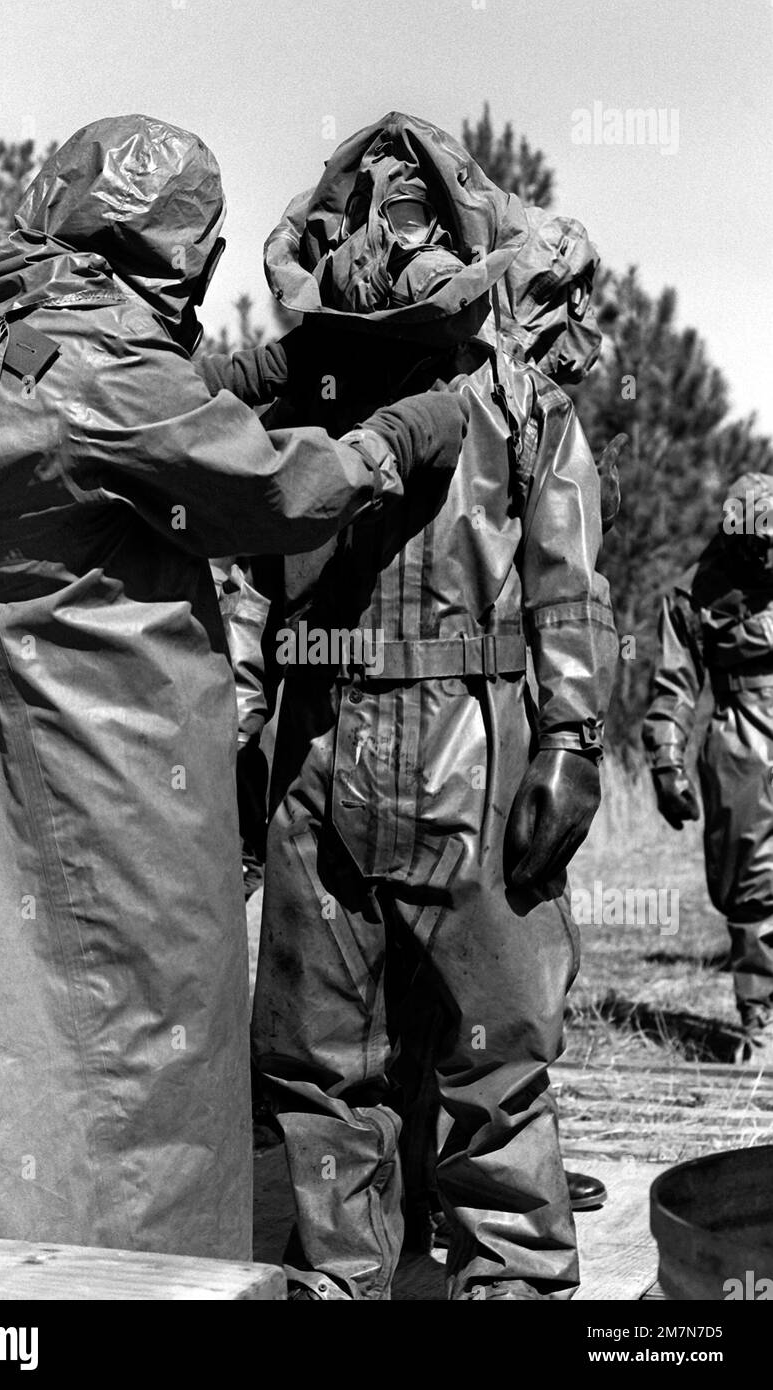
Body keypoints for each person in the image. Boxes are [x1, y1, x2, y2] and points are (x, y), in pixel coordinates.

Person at [0, 113, 468, 1254]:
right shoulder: (102, 370)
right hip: (109, 740)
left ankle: (0, 1258)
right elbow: (264, 491)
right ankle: (135, 1271)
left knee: (20, 1002)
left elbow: (130, 404)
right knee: (141, 1030)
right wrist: (395, 436)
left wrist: (271, 367)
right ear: (169, 248)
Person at [250, 112, 619, 1299]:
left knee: (495, 1045)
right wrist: (248, 735)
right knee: (319, 1053)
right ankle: (339, 1272)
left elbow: (568, 581)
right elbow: (249, 582)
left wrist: (571, 735)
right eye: (367, 213)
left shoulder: (517, 400)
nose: (385, 229)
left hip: (477, 736)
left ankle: (509, 1269)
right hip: (322, 742)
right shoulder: (301, 397)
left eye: (410, 213)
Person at [643, 473, 773, 1062]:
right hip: (740, 738)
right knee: (751, 887)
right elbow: (673, 687)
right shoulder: (694, 594)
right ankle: (759, 1020)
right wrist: (666, 763)